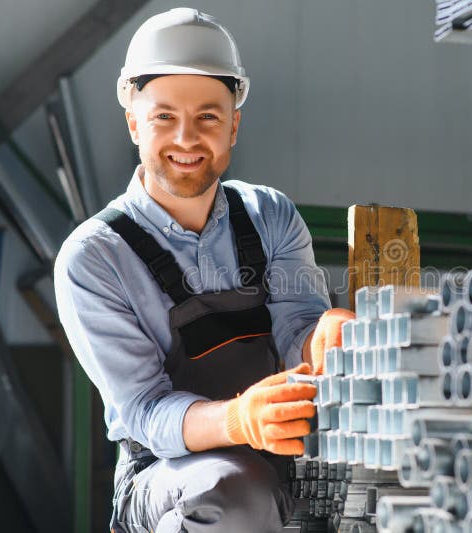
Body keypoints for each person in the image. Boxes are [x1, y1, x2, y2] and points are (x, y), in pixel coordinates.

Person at [53, 8, 355, 532]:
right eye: (164, 117)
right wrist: (239, 419)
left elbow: (296, 335)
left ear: (234, 123)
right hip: (169, 475)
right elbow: (147, 412)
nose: (187, 139)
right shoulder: (94, 258)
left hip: (286, 455)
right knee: (233, 493)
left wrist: (323, 336)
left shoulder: (271, 216)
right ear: (133, 122)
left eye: (209, 117)